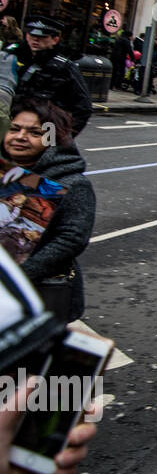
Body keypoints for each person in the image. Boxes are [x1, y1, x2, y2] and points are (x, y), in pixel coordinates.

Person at [2, 100, 96, 323]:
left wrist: (18, 276)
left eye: (35, 132)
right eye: (14, 129)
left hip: (37, 293)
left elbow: (71, 239)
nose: (20, 137)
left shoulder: (72, 183)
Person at [6, 19, 92, 136]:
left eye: (42, 37)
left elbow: (83, 107)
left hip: (46, 130)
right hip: (13, 126)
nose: (35, 40)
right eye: (32, 35)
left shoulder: (64, 67)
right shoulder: (12, 58)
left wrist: (61, 137)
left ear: (55, 40)